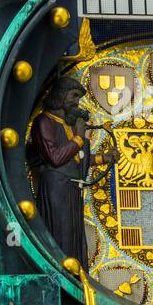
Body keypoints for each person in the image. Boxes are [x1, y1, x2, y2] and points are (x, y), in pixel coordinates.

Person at [29, 77, 118, 264]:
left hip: (71, 188)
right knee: (62, 237)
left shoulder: (67, 125)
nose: (77, 101)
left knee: (74, 239)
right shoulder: (43, 122)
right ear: (60, 96)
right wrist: (78, 138)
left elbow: (75, 158)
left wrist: (104, 158)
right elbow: (56, 158)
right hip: (56, 188)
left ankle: (77, 277)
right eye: (74, 95)